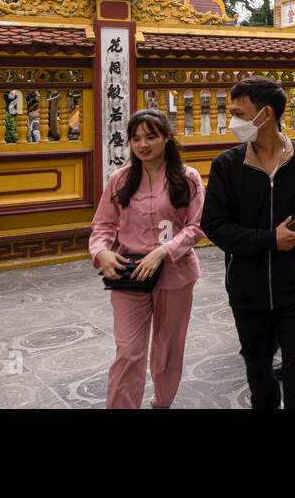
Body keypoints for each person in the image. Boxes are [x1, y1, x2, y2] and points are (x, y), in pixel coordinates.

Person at [201, 76, 295, 410]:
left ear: (265, 114)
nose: (233, 121)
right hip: (247, 291)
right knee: (259, 379)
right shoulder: (226, 165)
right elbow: (213, 225)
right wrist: (271, 240)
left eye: (239, 113)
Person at [90, 109, 204, 409]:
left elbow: (196, 226)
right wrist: (101, 252)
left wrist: (164, 251)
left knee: (168, 348)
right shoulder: (120, 180)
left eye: (150, 137)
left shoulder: (187, 178)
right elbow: (103, 225)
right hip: (129, 276)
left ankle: (162, 403)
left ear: (167, 138)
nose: (142, 144)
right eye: (136, 138)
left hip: (176, 275)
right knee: (128, 350)